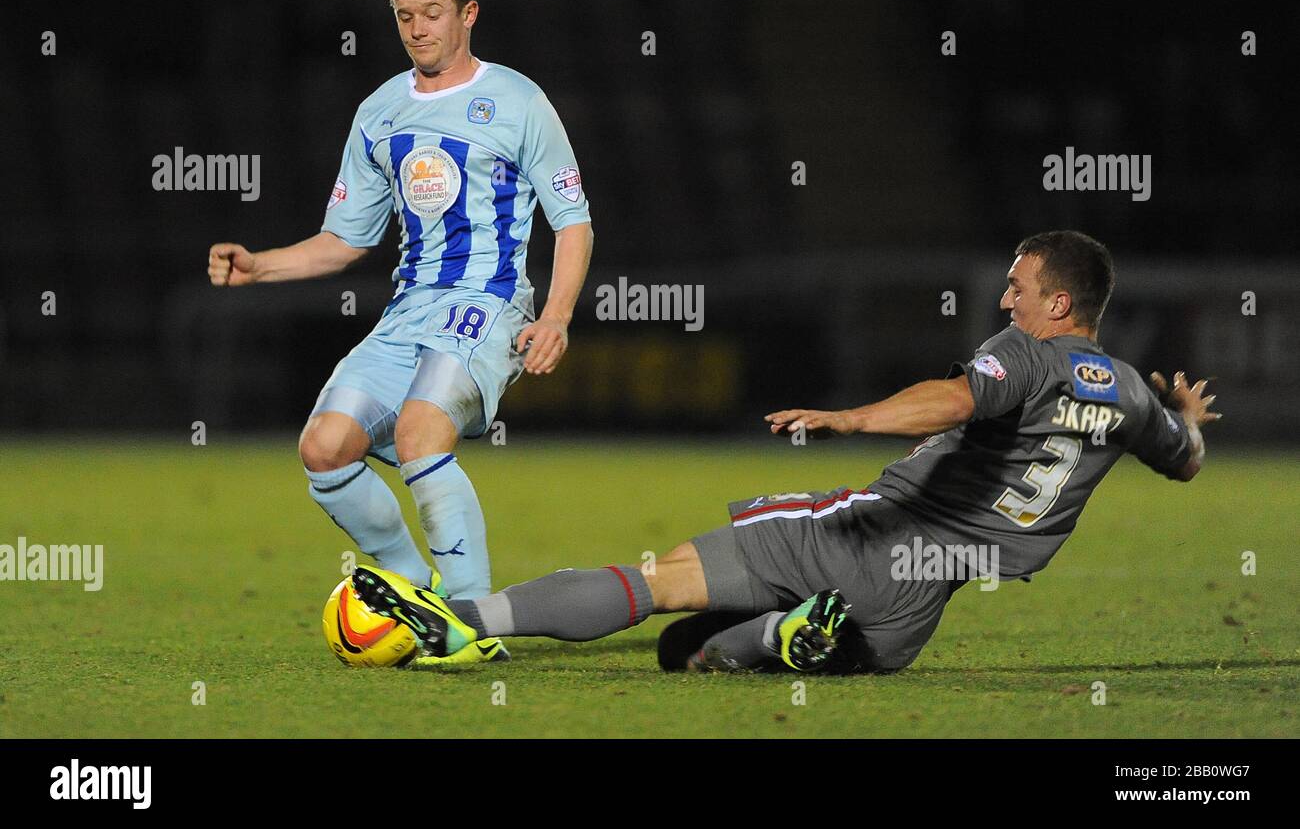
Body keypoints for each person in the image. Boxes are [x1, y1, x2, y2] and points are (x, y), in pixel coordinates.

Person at [351, 230, 1218, 673]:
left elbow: (955, 399)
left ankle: (466, 622)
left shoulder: (1026, 352)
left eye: (1020, 287)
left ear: (1060, 304)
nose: (1005, 295)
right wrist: (1188, 416)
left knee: (652, 586)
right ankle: (779, 637)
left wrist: (850, 417)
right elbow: (1185, 460)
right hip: (920, 601)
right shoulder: (1133, 394)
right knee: (697, 652)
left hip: (860, 531)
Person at [208, 0, 593, 662]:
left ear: (469, 13)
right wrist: (259, 267)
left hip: (489, 302)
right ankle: (414, 585)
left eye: (432, 14)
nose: (417, 30)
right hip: (409, 310)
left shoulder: (518, 101)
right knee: (324, 450)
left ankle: (474, 620)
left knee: (420, 434)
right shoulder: (379, 112)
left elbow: (573, 220)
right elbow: (344, 241)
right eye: (404, 16)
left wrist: (558, 315)